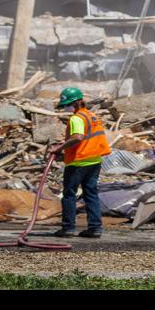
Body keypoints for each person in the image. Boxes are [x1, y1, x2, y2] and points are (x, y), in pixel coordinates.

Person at [47, 87, 111, 238]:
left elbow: (77, 137)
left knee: (69, 195)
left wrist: (59, 148)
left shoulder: (77, 118)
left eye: (67, 105)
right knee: (91, 194)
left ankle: (68, 228)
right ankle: (95, 228)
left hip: (79, 162)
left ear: (76, 102)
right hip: (94, 160)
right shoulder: (91, 116)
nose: (66, 108)